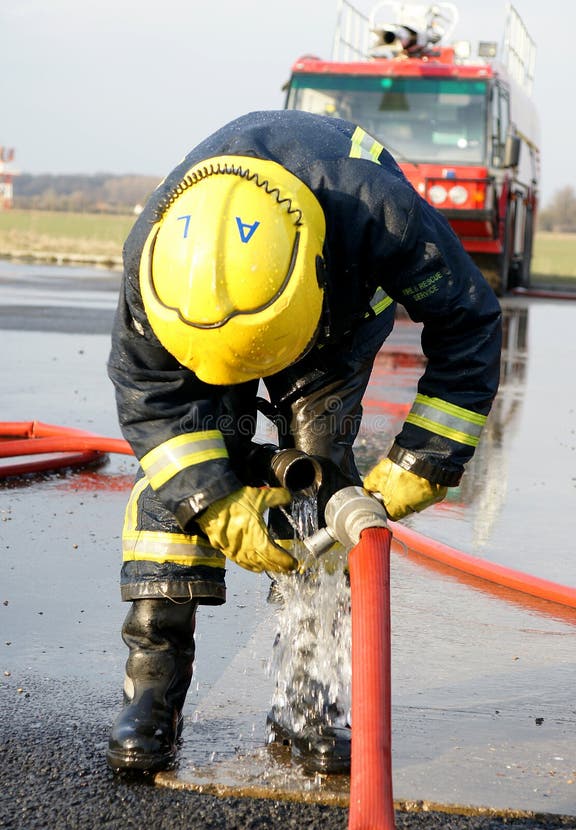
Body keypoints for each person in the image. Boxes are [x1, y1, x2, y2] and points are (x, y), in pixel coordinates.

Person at [106, 109, 502, 775]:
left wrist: (421, 462)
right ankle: (151, 693)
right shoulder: (161, 254)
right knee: (179, 475)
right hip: (203, 340)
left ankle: (307, 698)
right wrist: (218, 504)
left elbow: (468, 322)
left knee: (322, 485)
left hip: (336, 323)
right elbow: (155, 401)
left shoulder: (381, 212)